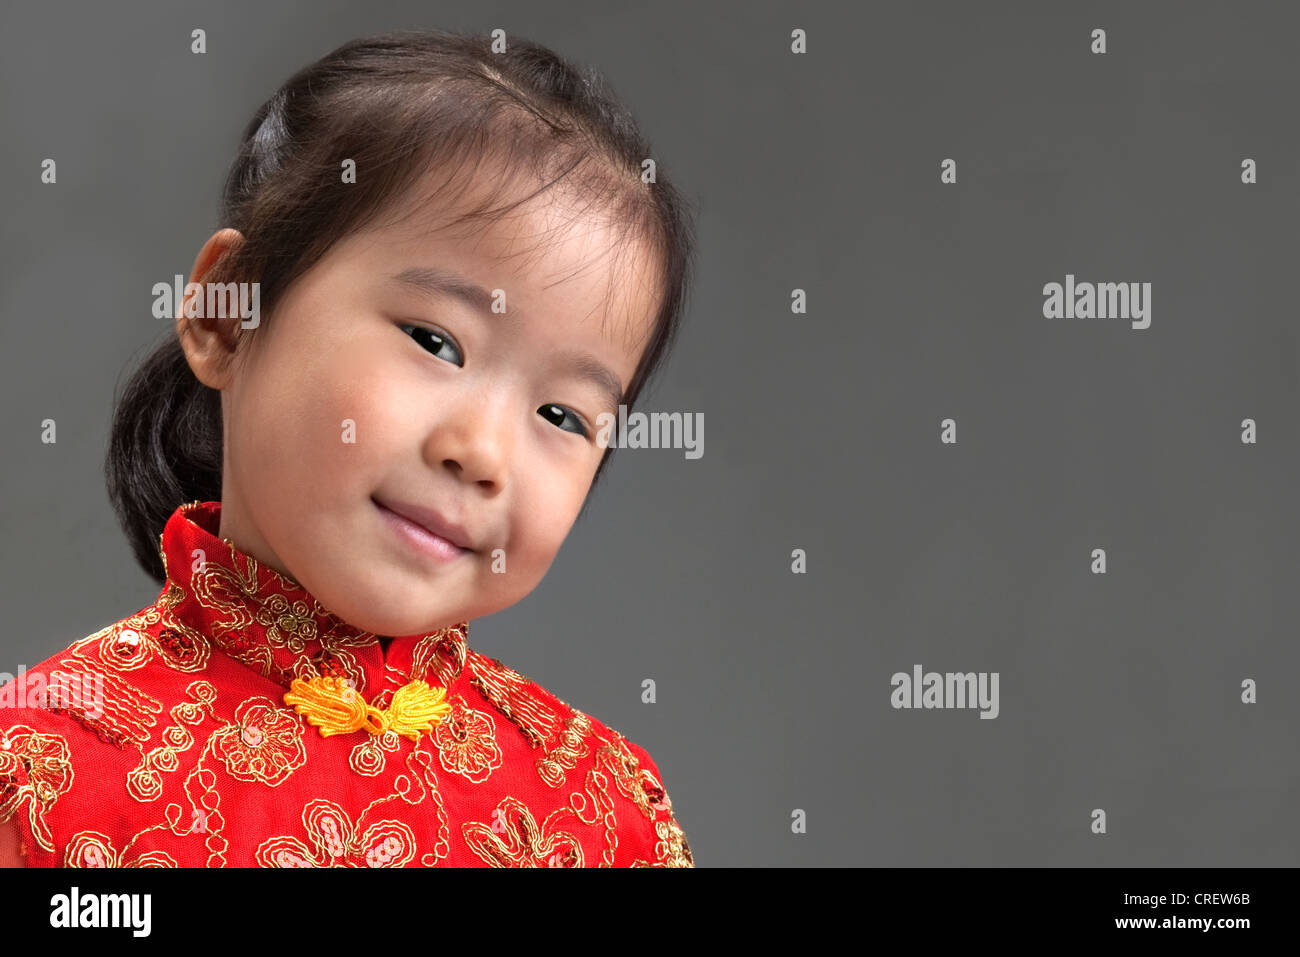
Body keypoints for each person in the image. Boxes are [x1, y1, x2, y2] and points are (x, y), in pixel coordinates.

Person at [0, 28, 696, 867]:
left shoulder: (604, 810)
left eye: (562, 414)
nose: (482, 452)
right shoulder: (44, 770)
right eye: (435, 342)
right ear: (230, 312)